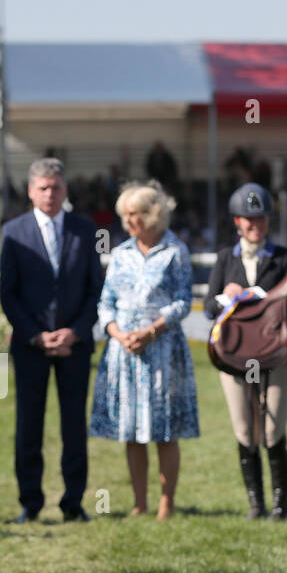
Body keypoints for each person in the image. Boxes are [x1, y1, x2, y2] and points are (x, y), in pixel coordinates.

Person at [0, 157, 104, 523]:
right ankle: (30, 502)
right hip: (31, 348)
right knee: (29, 426)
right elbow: (8, 294)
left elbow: (96, 291)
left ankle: (73, 503)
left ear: (65, 190)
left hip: (74, 347)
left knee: (73, 426)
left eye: (56, 187)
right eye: (42, 188)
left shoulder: (86, 231)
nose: (49, 194)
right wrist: (37, 336)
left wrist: (74, 331)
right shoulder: (13, 232)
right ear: (30, 191)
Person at [90, 181, 199, 520]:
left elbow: (183, 301)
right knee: (131, 429)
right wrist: (117, 333)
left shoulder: (175, 251)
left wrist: (152, 331)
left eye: (135, 214)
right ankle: (140, 502)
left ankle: (166, 502)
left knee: (163, 430)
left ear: (153, 214)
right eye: (126, 214)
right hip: (124, 351)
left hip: (162, 351)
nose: (129, 220)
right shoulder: (120, 254)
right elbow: (105, 302)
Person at [205, 183, 287, 519]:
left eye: (261, 220)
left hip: (277, 354)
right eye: (249, 221)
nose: (255, 226)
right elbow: (208, 306)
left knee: (273, 428)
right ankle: (256, 502)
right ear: (237, 222)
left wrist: (269, 302)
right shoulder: (224, 259)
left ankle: (281, 503)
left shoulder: (285, 258)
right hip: (235, 355)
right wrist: (228, 296)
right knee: (244, 429)